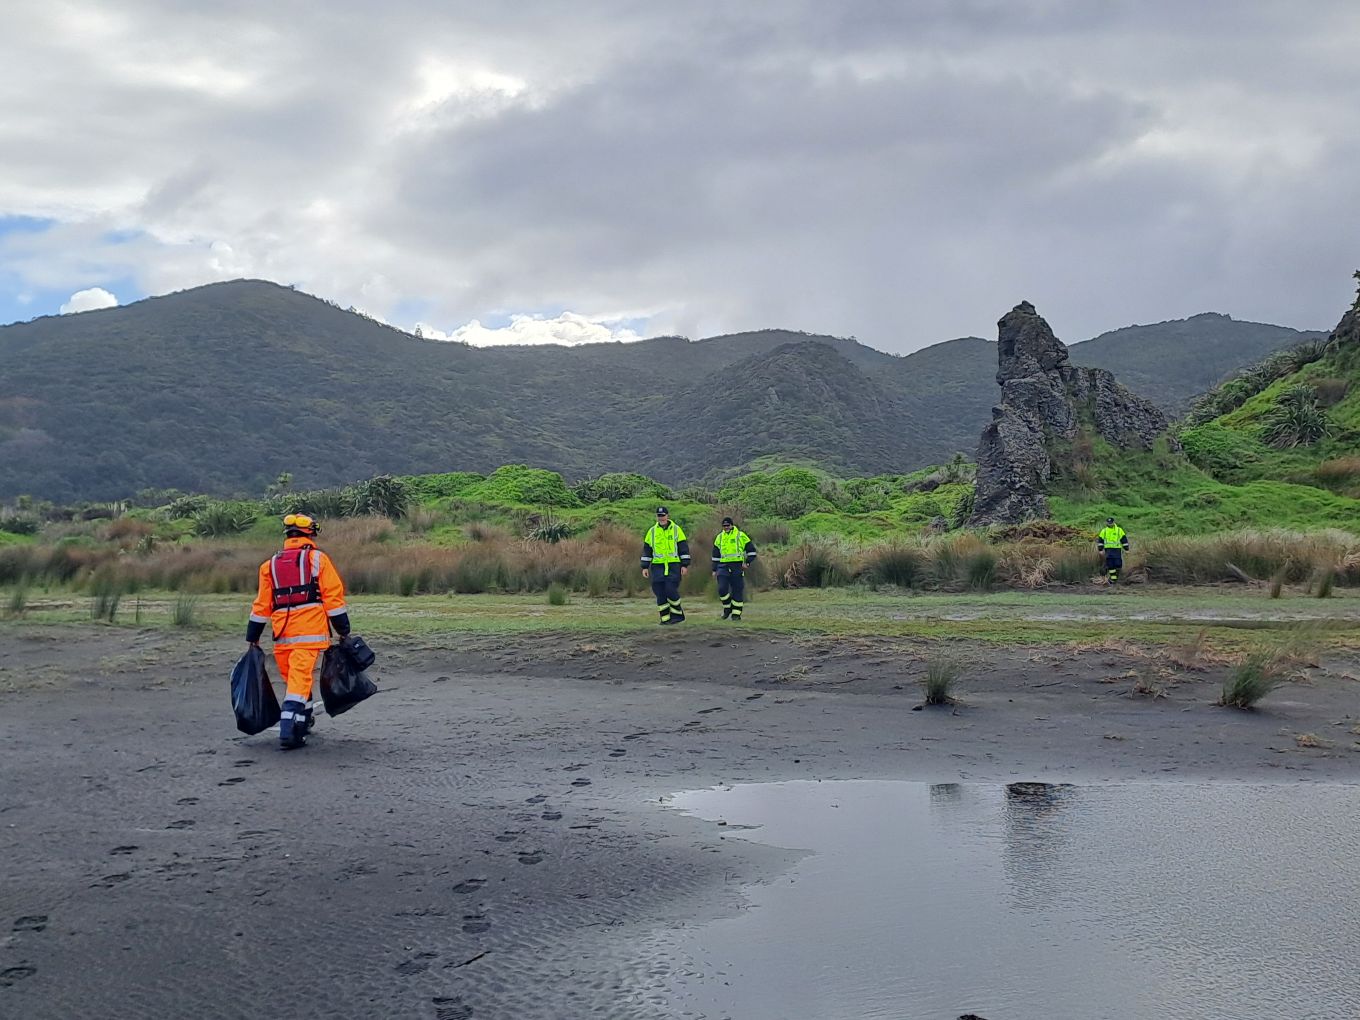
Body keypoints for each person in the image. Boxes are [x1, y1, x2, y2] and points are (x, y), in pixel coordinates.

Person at [246, 513, 353, 748]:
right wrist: (343, 630)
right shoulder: (318, 560)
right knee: (299, 681)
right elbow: (333, 600)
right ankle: (289, 728)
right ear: (310, 534)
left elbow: (261, 606)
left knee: (294, 679)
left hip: (282, 634)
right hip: (310, 633)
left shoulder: (269, 566)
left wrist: (252, 636)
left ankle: (303, 722)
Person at [641, 506, 690, 624]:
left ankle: (678, 615)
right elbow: (647, 550)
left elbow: (683, 548)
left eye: (663, 515)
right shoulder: (652, 531)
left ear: (667, 516)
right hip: (657, 566)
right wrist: (644, 567)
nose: (661, 518)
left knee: (670, 590)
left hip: (673, 565)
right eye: (659, 516)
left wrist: (685, 565)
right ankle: (665, 619)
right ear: (656, 517)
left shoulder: (676, 529)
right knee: (659, 592)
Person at [711, 516, 757, 619]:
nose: (726, 527)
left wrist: (747, 562)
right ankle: (727, 608)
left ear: (732, 525)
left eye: (727, 525)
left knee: (737, 590)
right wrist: (714, 569)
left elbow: (752, 551)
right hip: (723, 566)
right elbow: (715, 555)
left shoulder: (740, 536)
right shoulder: (720, 537)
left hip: (737, 566)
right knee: (722, 589)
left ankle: (736, 614)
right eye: (724, 526)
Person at [1096, 516, 1130, 585]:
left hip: (1117, 550)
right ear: (1107, 523)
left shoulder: (1119, 530)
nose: (1110, 524)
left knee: (1118, 564)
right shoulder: (1104, 531)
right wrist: (1100, 550)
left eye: (1111, 523)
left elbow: (1124, 540)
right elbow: (1100, 541)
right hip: (1108, 550)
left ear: (1114, 522)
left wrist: (1126, 549)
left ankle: (1116, 577)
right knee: (1111, 565)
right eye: (1108, 523)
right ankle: (1113, 579)